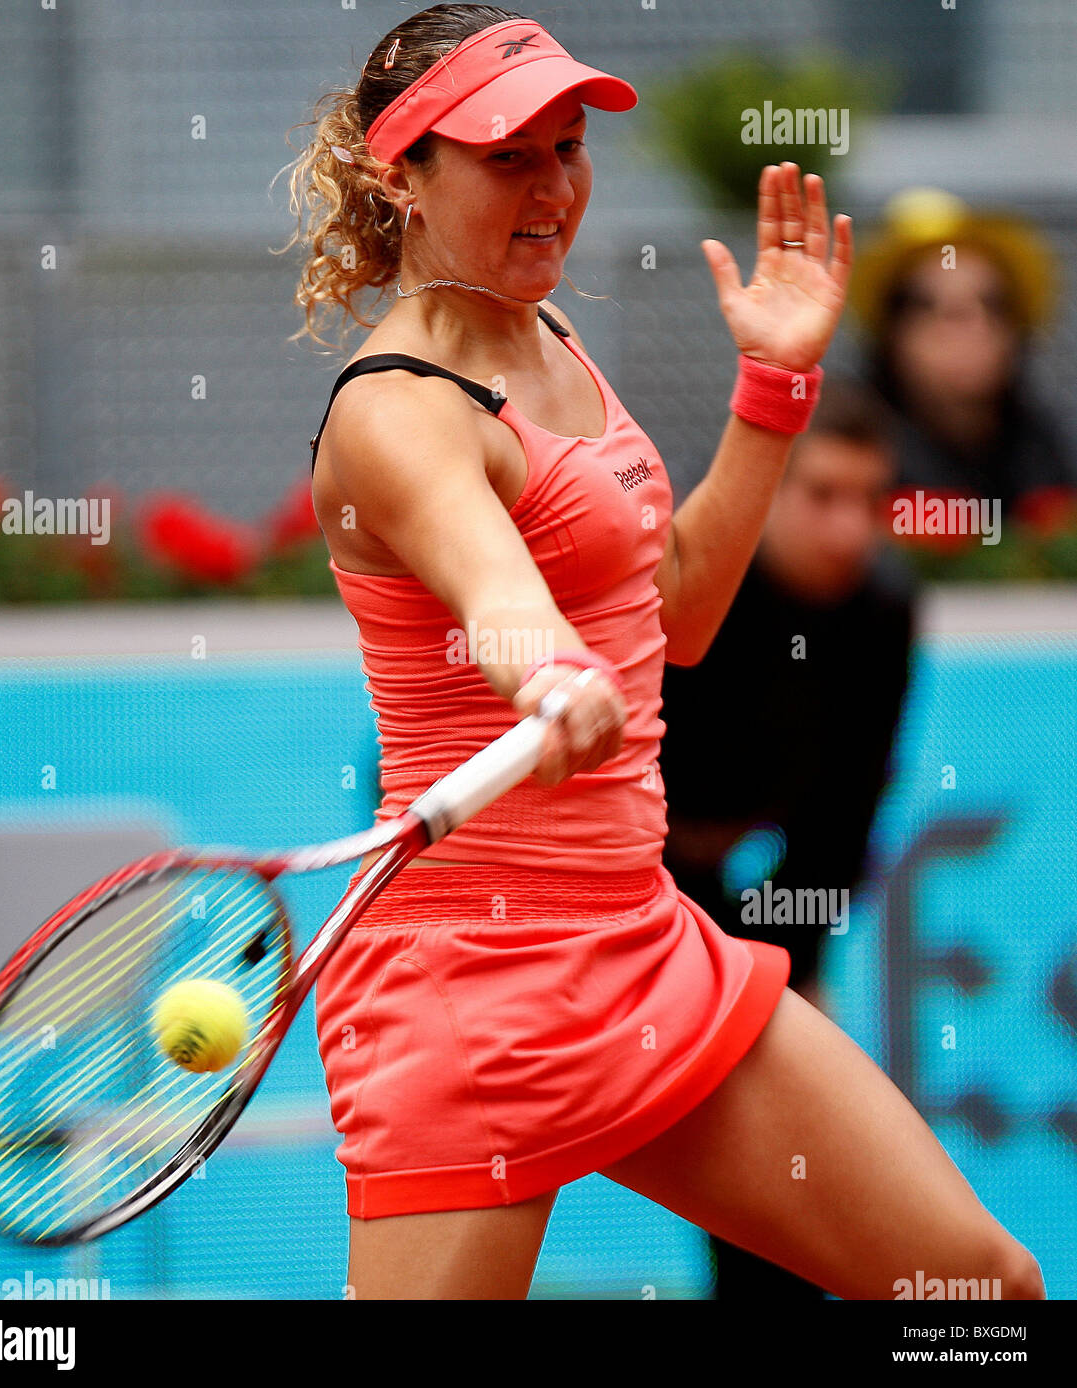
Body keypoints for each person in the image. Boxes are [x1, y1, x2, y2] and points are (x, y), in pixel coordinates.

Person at [279, 4, 1044, 1301]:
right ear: (400, 173)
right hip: (475, 987)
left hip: (643, 945)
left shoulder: (553, 341)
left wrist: (771, 393)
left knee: (980, 1290)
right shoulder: (392, 411)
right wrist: (547, 673)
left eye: (566, 148)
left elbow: (677, 609)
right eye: (507, 156)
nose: (553, 187)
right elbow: (496, 590)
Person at [658, 377, 915, 1299]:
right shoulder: (663, 578)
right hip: (596, 882)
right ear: (757, 489)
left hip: (744, 886)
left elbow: (843, 818)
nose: (851, 529)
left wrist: (780, 971)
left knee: (782, 1157)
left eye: (871, 501)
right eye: (821, 496)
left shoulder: (881, 612)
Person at [849, 187, 1077, 513]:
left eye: (991, 304)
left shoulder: (1053, 451)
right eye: (930, 306)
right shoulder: (847, 462)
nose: (969, 328)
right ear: (892, 332)